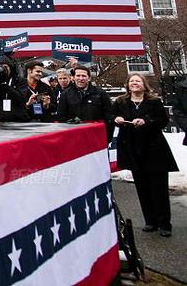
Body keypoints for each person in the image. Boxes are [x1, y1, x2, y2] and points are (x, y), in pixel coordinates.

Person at [109, 74, 178, 237]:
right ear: (127, 85)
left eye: (138, 81)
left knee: (158, 188)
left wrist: (146, 120)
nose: (134, 83)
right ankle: (150, 221)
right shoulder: (120, 102)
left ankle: (164, 223)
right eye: (132, 81)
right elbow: (111, 117)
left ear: (144, 85)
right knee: (142, 188)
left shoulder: (154, 101)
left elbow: (163, 120)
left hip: (154, 149)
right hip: (132, 149)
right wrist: (116, 119)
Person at [56, 65, 112, 137]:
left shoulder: (100, 93)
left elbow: (109, 115)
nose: (81, 78)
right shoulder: (65, 94)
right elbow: (61, 117)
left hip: (96, 135)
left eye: (83, 76)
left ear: (89, 78)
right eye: (78, 76)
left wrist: (107, 137)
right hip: (74, 135)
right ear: (73, 78)